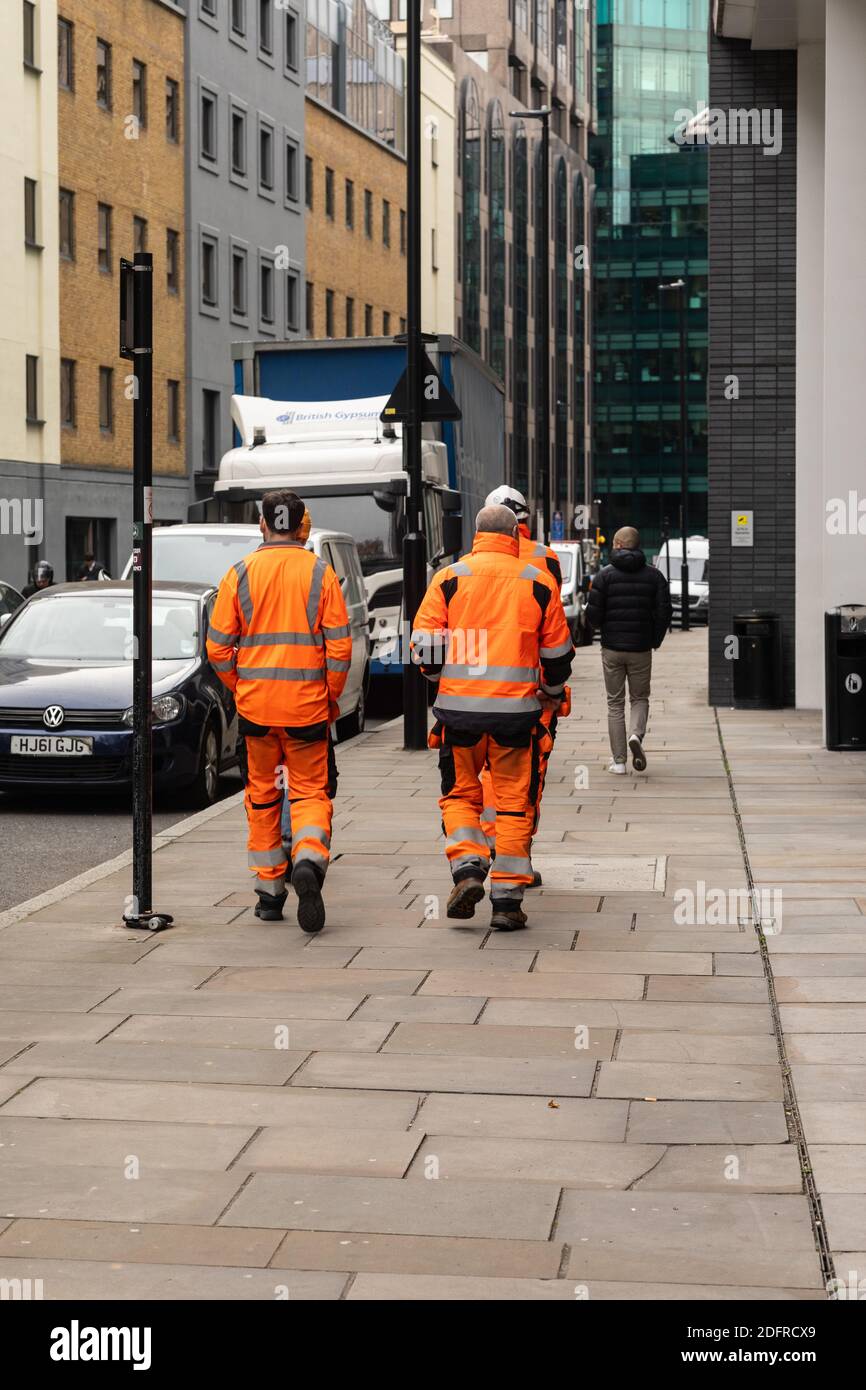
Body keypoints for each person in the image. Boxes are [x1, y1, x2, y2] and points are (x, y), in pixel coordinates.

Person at [411, 504, 574, 932]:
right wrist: (551, 693)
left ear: (476, 537)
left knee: (461, 796)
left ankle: (467, 868)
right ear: (516, 537)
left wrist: (438, 677)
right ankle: (506, 901)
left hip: (459, 714)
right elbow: (557, 656)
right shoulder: (537, 581)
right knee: (513, 806)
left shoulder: (448, 579)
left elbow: (425, 649)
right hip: (516, 717)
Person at [206, 489, 352, 932]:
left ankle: (270, 896)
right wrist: (328, 697)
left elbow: (217, 648)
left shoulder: (239, 573)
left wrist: (242, 685)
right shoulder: (321, 573)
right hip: (307, 709)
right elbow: (340, 649)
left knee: (263, 796)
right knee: (309, 791)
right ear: (300, 523)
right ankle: (307, 857)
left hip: (256, 711)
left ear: (263, 524)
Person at [479, 485, 570, 883]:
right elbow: (553, 627)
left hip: (476, 688)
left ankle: (488, 845)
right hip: (529, 688)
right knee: (528, 774)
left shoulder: (466, 564)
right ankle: (518, 856)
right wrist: (553, 688)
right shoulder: (546, 560)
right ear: (523, 521)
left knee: (482, 774)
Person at [586, 525, 672, 775]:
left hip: (612, 648)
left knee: (615, 703)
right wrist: (654, 640)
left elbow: (593, 614)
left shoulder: (603, 576)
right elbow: (665, 612)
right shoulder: (655, 577)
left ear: (619, 545)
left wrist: (602, 629)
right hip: (640, 649)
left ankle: (619, 761)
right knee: (640, 698)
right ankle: (636, 734)